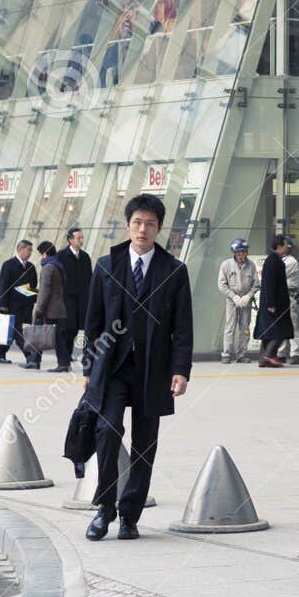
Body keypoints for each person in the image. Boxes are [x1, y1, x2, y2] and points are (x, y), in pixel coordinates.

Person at [82, 194, 193, 541]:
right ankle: (104, 508)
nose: (143, 229)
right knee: (108, 430)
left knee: (146, 443)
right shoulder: (105, 266)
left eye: (150, 223)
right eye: (137, 222)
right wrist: (88, 369)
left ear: (159, 228)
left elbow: (183, 327)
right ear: (128, 225)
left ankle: (130, 515)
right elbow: (93, 322)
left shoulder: (174, 271)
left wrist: (181, 370)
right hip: (112, 368)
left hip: (153, 370)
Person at [28, 241, 70, 372]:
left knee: (55, 336)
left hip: (49, 309)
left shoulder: (48, 268)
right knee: (45, 333)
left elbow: (44, 291)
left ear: (44, 253)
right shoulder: (58, 266)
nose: (40, 257)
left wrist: (39, 309)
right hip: (57, 307)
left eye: (40, 254)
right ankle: (35, 360)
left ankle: (63, 363)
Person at [0, 240, 36, 364]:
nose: (30, 253)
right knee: (18, 332)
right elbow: (3, 285)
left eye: (31, 251)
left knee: (10, 331)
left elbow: (33, 286)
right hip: (11, 304)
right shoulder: (8, 265)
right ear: (20, 249)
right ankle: (29, 356)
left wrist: (32, 298)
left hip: (25, 304)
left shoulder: (31, 267)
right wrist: (3, 304)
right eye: (28, 250)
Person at [255, 235, 294, 367]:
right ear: (279, 247)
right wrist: (271, 303)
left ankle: (263, 359)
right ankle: (269, 355)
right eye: (285, 245)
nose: (287, 248)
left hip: (273, 303)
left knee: (268, 332)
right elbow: (269, 283)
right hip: (274, 305)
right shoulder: (273, 261)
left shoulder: (274, 260)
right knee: (279, 330)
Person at [58, 226, 93, 371]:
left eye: (82, 237)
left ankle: (67, 356)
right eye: (78, 238)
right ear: (70, 239)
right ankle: (64, 359)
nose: (81, 240)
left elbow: (90, 278)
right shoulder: (61, 255)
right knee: (66, 328)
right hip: (66, 299)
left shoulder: (85, 257)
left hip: (82, 299)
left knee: (75, 329)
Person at [218, 239, 258, 363]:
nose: (242, 255)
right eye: (239, 253)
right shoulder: (226, 265)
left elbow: (256, 284)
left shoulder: (251, 265)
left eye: (244, 252)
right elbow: (221, 284)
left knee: (245, 328)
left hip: (246, 301)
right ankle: (226, 354)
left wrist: (248, 296)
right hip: (232, 301)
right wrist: (234, 297)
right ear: (234, 253)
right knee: (230, 327)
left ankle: (242, 354)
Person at [284, 238, 299, 365]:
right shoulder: (281, 260)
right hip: (282, 296)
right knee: (281, 326)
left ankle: (295, 353)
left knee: (292, 326)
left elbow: (279, 275)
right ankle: (281, 352)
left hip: (289, 295)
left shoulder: (291, 261)